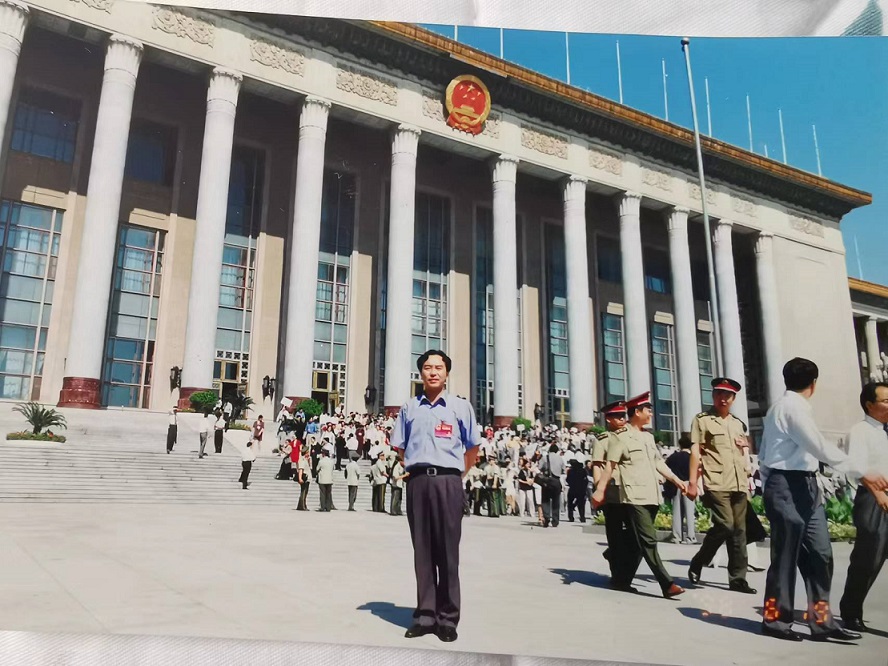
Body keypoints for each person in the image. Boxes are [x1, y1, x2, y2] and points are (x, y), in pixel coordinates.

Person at [758, 358, 888, 642]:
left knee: (820, 555)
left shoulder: (796, 408)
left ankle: (822, 620)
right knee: (784, 559)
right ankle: (774, 620)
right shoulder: (790, 408)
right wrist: (862, 471)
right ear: (814, 384)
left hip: (806, 485)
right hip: (786, 484)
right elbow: (818, 446)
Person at [391, 349, 480, 643]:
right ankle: (425, 615)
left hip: (448, 483)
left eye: (438, 367)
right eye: (428, 367)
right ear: (420, 373)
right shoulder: (409, 408)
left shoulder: (459, 407)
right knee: (423, 552)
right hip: (418, 483)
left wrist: (455, 477)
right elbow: (401, 447)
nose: (433, 372)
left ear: (446, 373)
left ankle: (448, 618)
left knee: (448, 554)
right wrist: (416, 466)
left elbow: (472, 449)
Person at [592, 392, 687, 599]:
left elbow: (658, 462)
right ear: (637, 412)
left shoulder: (648, 437)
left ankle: (621, 579)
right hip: (631, 495)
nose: (651, 413)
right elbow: (609, 466)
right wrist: (600, 490)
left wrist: (676, 480)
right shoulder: (620, 438)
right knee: (648, 540)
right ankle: (667, 583)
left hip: (651, 494)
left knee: (636, 542)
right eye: (648, 410)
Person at [686, 378, 756, 594]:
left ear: (734, 399)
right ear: (713, 396)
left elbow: (743, 451)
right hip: (716, 481)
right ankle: (700, 560)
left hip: (739, 482)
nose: (722, 399)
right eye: (718, 394)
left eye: (727, 395)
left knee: (739, 531)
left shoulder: (737, 424)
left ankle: (737, 579)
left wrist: (749, 475)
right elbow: (696, 451)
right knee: (725, 525)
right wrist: (692, 482)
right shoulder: (702, 420)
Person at [839, 381, 888, 633]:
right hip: (873, 499)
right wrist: (878, 493)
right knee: (868, 558)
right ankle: (850, 612)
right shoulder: (860, 431)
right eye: (886, 401)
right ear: (870, 405)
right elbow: (855, 466)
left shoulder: (884, 431)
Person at [591, 401, 637, 591]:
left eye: (623, 415)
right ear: (608, 419)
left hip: (632, 491)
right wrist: (598, 489)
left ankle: (614, 557)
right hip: (612, 492)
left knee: (636, 536)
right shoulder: (603, 439)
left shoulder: (632, 436)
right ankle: (619, 578)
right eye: (617, 416)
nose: (621, 419)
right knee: (616, 536)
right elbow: (597, 465)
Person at [665, 434, 695, 544]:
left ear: (680, 444)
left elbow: (667, 469)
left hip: (676, 484)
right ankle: (690, 537)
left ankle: (676, 536)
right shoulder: (692, 458)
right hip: (689, 483)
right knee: (690, 512)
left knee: (677, 513)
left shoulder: (673, 457)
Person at [539, 443, 564, 528]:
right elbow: (563, 469)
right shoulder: (560, 459)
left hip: (547, 480)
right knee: (556, 501)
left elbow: (539, 467)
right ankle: (555, 521)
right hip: (557, 481)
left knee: (545, 500)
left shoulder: (545, 457)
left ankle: (546, 517)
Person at [566, 457, 588, 523]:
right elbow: (586, 480)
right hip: (581, 489)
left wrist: (570, 483)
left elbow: (567, 479)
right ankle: (582, 517)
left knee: (570, 503)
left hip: (572, 488)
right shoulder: (583, 470)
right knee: (581, 504)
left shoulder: (570, 471)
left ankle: (571, 517)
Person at [296, 446, 312, 511]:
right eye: (308, 452)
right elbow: (301, 470)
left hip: (307, 478)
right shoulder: (302, 460)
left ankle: (303, 505)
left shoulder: (305, 459)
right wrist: (300, 478)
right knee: (303, 492)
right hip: (304, 478)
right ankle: (302, 506)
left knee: (305, 492)